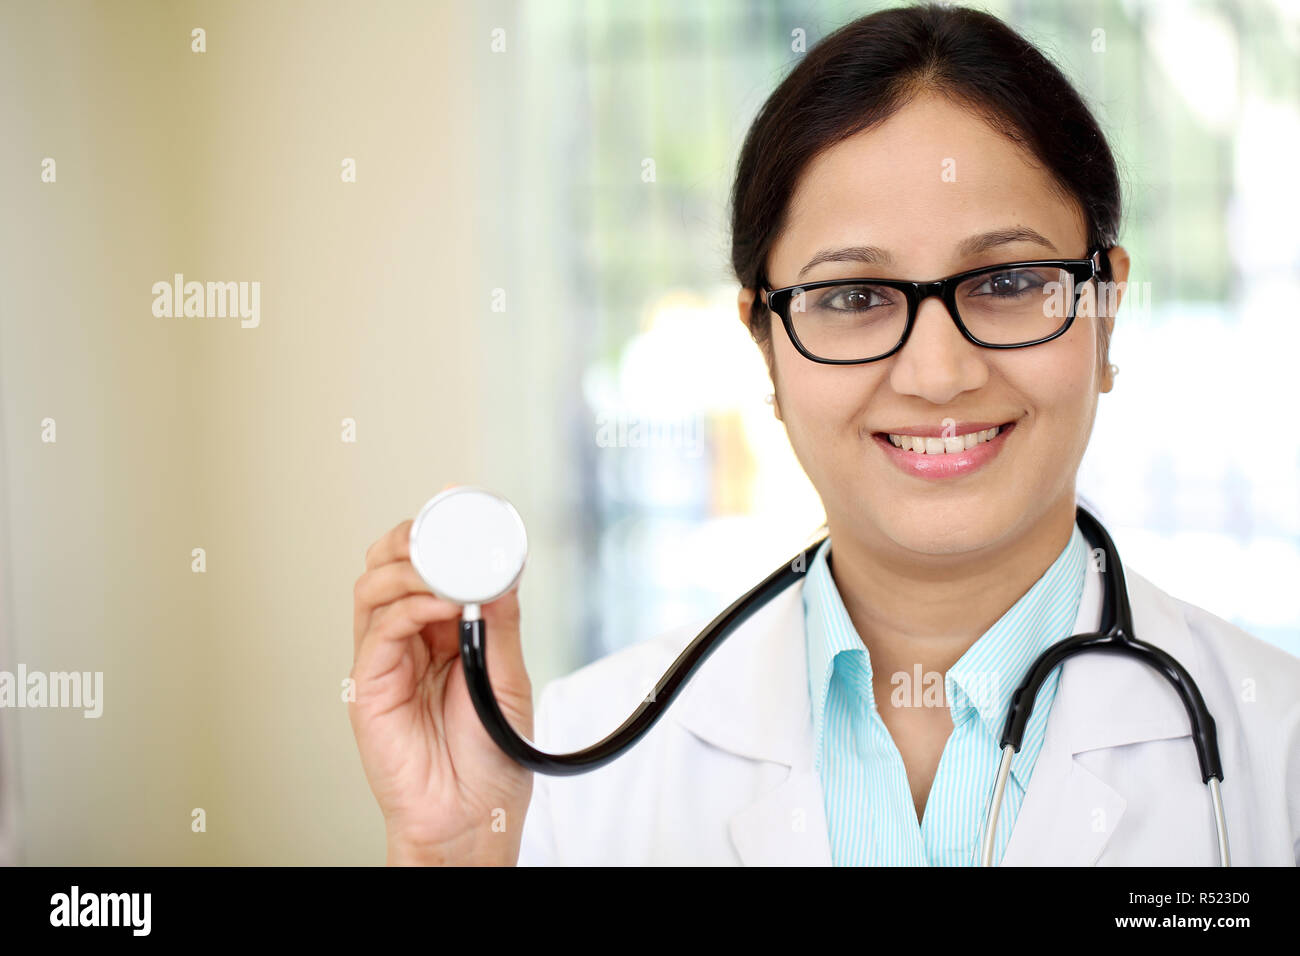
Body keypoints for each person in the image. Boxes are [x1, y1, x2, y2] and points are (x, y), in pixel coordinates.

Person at [347, 3, 1300, 865]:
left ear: (1106, 309)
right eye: (853, 296)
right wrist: (458, 854)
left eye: (1008, 282)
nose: (939, 373)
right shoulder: (575, 760)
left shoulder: (1278, 743)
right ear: (765, 346)